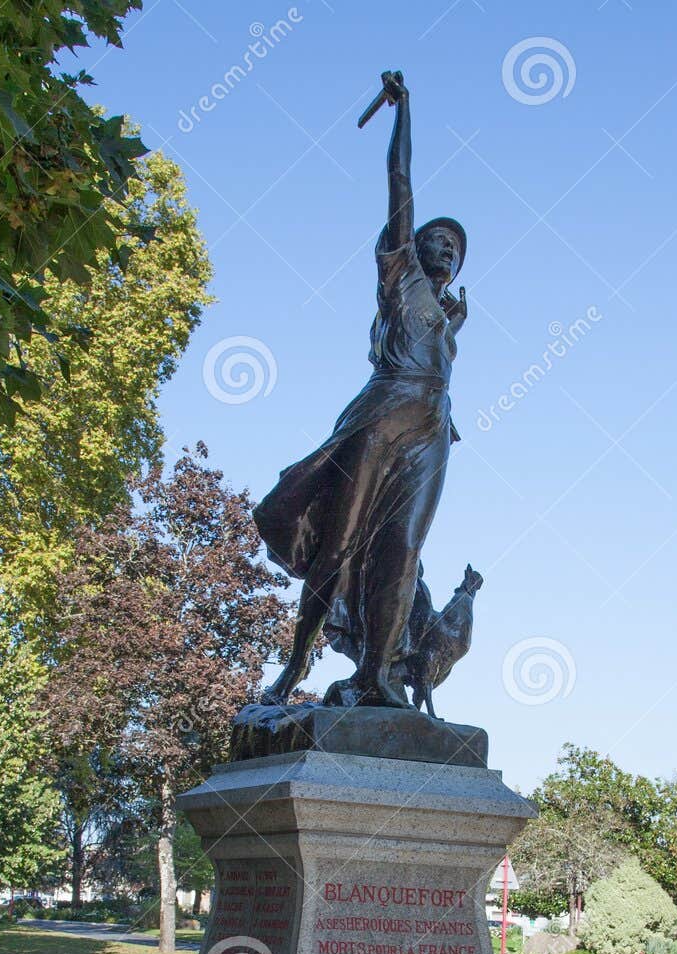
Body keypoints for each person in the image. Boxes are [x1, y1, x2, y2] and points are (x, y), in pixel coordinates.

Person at [254, 70, 467, 708]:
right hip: (381, 416)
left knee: (403, 550)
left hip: (431, 431)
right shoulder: (400, 275)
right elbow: (399, 183)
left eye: (454, 246)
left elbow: (438, 365)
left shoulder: (449, 319)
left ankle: (376, 675)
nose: (443, 246)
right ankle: (295, 668)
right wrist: (406, 111)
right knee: (340, 545)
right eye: (436, 236)